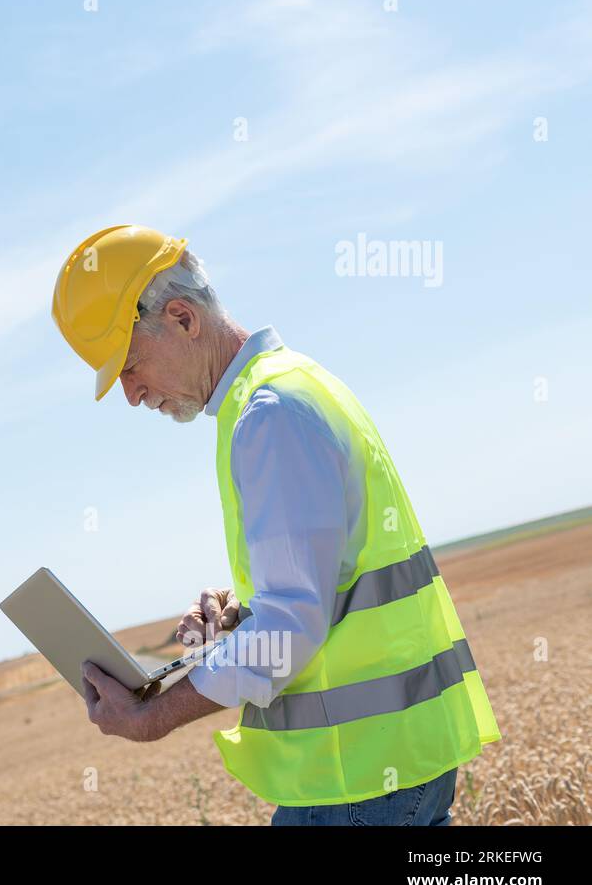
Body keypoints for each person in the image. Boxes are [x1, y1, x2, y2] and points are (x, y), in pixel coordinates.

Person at [51, 225, 500, 825]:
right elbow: (327, 577)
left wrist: (152, 716)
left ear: (183, 318)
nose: (131, 394)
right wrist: (242, 607)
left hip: (359, 778)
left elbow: (291, 628)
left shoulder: (270, 416)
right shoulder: (289, 388)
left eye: (129, 366)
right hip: (382, 766)